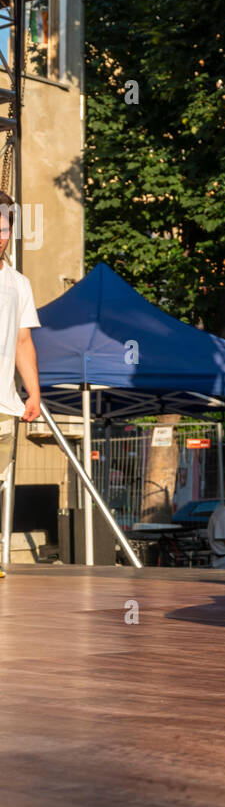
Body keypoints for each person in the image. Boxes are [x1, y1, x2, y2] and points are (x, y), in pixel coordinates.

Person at [0, 192, 41, 579]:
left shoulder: (18, 283)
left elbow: (23, 341)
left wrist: (34, 392)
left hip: (4, 402)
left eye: (3, 228)